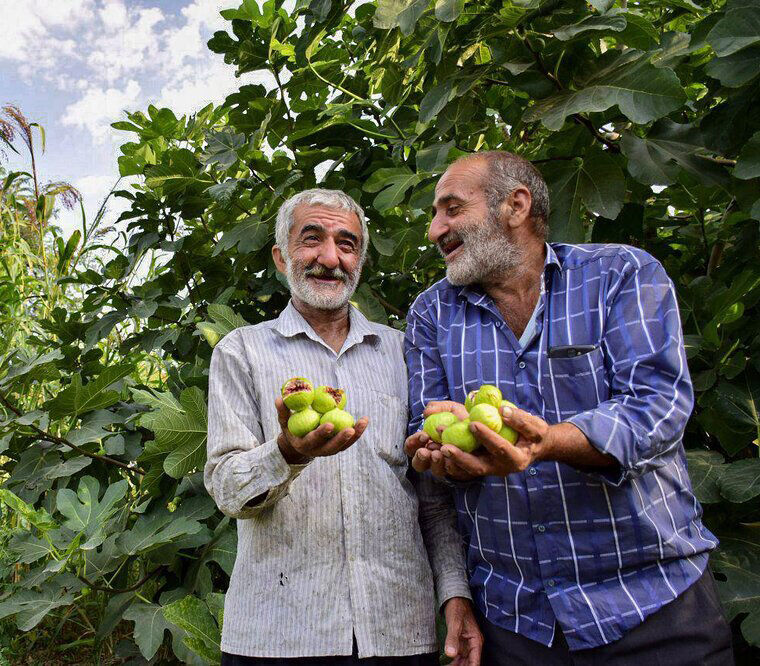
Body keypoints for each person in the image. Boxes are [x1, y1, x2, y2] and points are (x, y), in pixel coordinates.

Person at [403, 151, 733, 665]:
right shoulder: (431, 312)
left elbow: (657, 408)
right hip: (517, 620)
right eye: (434, 214)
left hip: (650, 603)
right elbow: (424, 427)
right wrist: (435, 451)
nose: (434, 229)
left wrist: (549, 443)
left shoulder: (620, 274)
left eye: (450, 209)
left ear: (515, 205)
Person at [205, 188, 481, 665]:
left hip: (398, 633)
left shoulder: (404, 351)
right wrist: (288, 453)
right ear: (281, 256)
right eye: (312, 239)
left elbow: (434, 499)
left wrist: (455, 597)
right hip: (278, 635)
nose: (330, 258)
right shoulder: (241, 351)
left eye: (347, 244)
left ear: (361, 260)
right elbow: (227, 490)